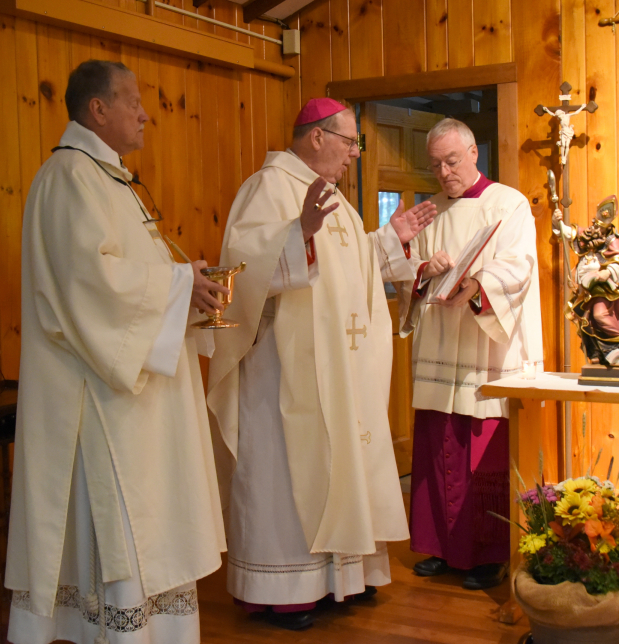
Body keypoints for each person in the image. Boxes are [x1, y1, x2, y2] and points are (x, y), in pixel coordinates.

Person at [5, 60, 227, 644]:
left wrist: (188, 282)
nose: (145, 112)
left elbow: (133, 274)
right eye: (132, 101)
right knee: (125, 532)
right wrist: (178, 286)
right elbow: (90, 284)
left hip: (134, 404)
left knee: (149, 525)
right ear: (97, 109)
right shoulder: (69, 177)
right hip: (98, 402)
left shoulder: (110, 178)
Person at [207, 98, 437, 631]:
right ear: (317, 137)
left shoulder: (333, 198)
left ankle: (339, 578)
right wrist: (297, 233)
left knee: (338, 467)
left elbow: (347, 269)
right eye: (350, 141)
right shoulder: (268, 187)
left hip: (337, 366)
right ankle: (282, 588)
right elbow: (242, 270)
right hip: (282, 372)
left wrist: (387, 241)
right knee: (284, 475)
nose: (355, 153)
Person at [396, 118, 544, 590]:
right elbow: (407, 276)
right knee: (438, 445)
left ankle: (485, 554)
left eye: (452, 160)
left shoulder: (509, 203)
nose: (444, 172)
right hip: (441, 343)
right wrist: (423, 269)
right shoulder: (430, 212)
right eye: (436, 165)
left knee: (482, 450)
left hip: (484, 347)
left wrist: (479, 285)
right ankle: (440, 546)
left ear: (474, 153)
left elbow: (519, 266)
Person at [552, 196, 619, 367]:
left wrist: (607, 272)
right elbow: (566, 233)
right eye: (596, 225)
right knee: (586, 320)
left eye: (602, 228)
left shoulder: (612, 241)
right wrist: (557, 222)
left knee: (600, 315)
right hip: (585, 289)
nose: (597, 230)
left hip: (602, 289)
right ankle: (597, 353)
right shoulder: (587, 234)